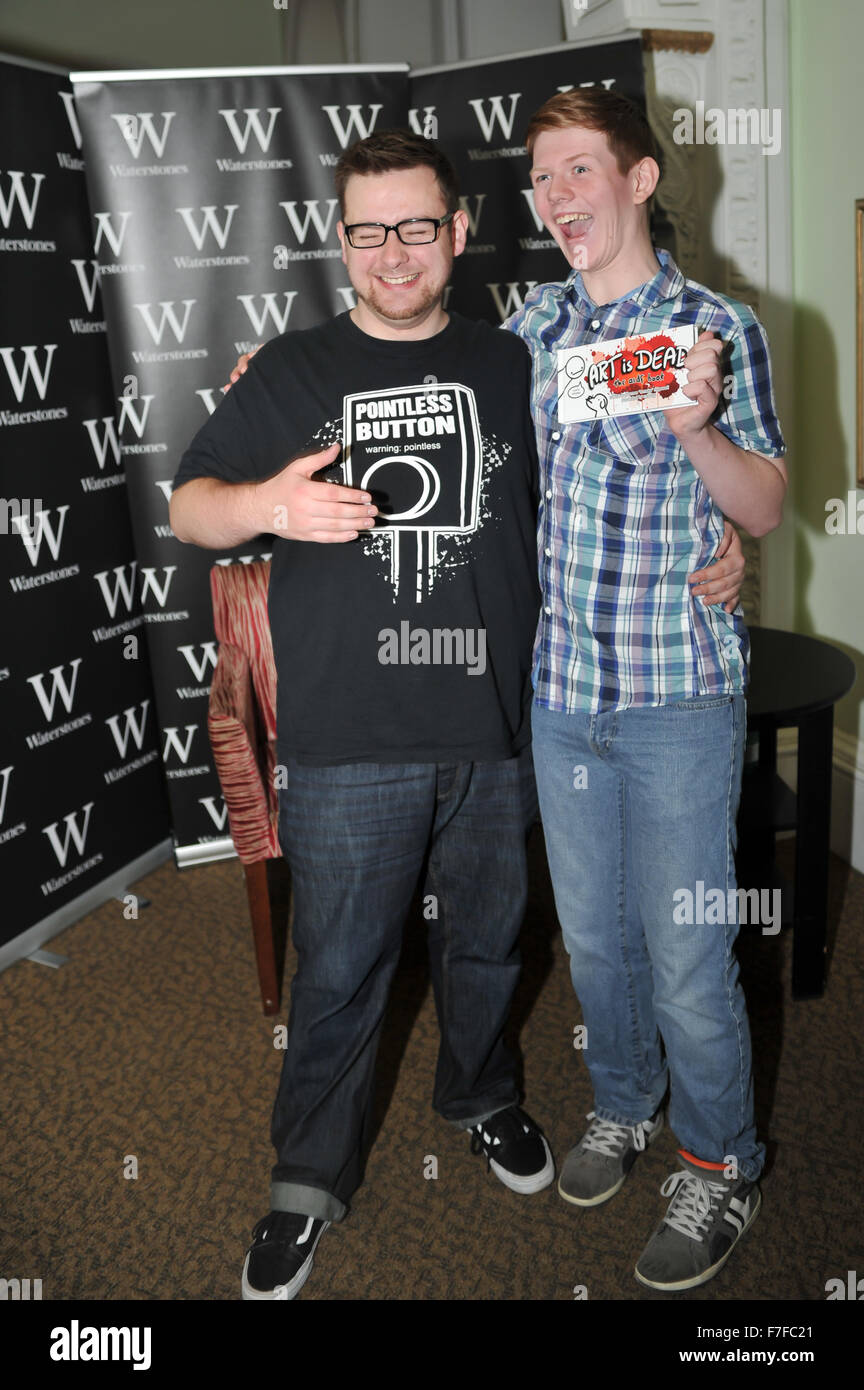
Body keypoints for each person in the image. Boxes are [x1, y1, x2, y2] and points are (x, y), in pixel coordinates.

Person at [170, 130, 558, 1301]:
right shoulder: (287, 370)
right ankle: (308, 1174)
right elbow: (192, 508)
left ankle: (483, 1095)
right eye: (369, 229)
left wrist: (718, 558)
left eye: (419, 226)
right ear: (340, 238)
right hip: (347, 737)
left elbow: (613, 488)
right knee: (341, 965)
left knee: (490, 941)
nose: (395, 252)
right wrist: (268, 502)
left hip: (499, 725)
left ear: (460, 231)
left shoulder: (517, 360)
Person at [503, 88, 787, 1292]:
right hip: (564, 691)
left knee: (685, 953)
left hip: (676, 695)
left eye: (579, 170)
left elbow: (763, 505)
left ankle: (721, 1163)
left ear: (640, 179)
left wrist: (698, 434)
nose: (559, 197)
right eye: (542, 178)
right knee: (600, 947)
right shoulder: (530, 326)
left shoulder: (718, 325)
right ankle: (623, 1107)